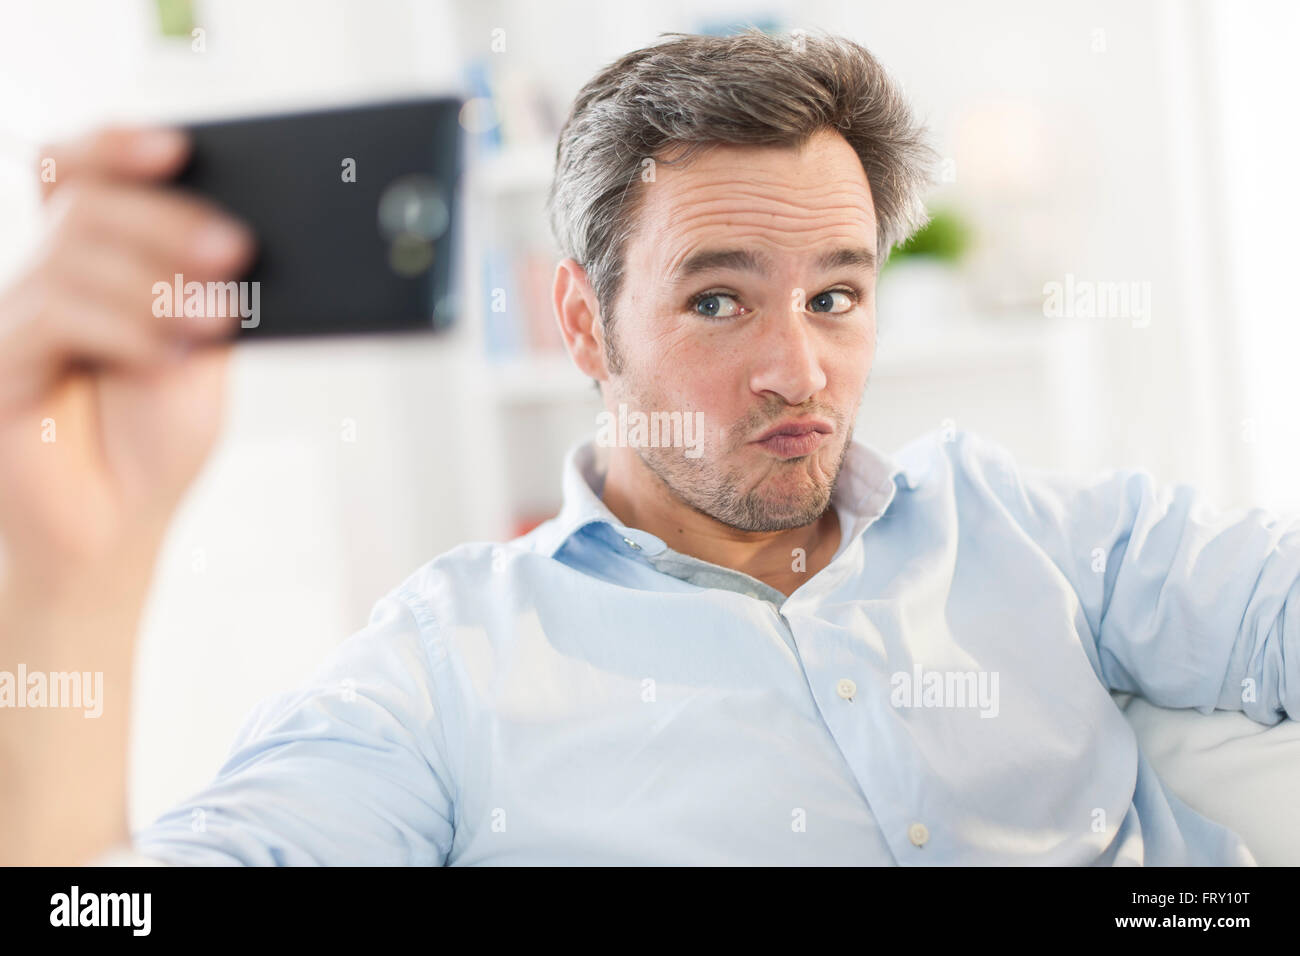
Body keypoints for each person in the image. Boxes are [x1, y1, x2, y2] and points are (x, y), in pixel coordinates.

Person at [0, 29, 1292, 866]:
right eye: (717, 300)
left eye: (836, 295)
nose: (799, 369)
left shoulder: (1043, 534)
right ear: (581, 319)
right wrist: (71, 584)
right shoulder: (444, 669)